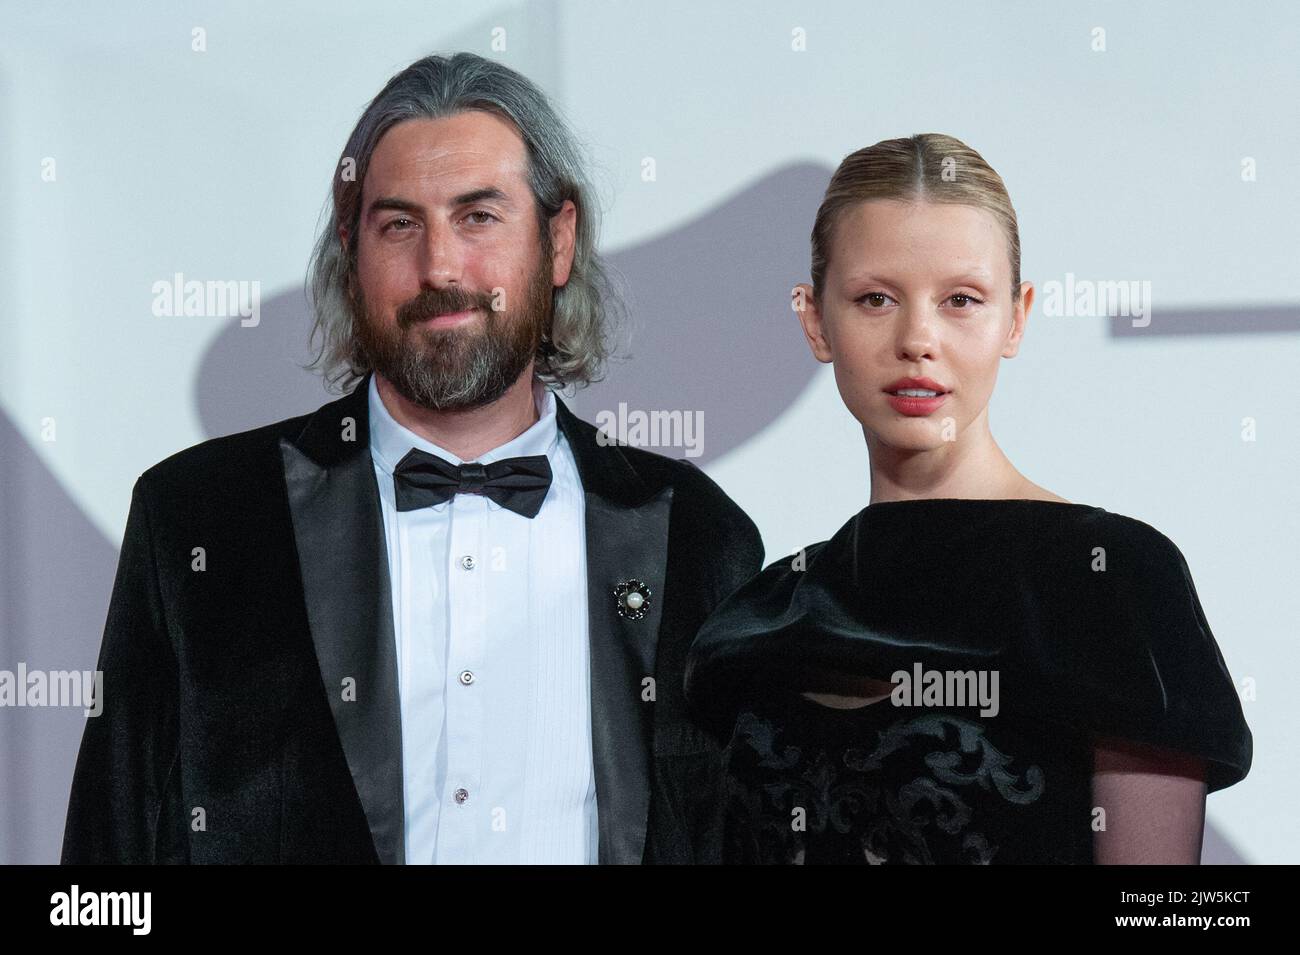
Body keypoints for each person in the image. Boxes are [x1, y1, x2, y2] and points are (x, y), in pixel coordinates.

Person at [61, 52, 762, 865]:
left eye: (478, 217)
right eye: (399, 224)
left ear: (559, 240)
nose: (439, 268)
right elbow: (103, 871)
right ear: (351, 253)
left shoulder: (697, 534)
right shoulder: (199, 518)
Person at [683, 133, 1251, 865]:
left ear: (1016, 317)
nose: (918, 338)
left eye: (961, 299)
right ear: (815, 320)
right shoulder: (760, 619)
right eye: (875, 298)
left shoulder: (1113, 582)